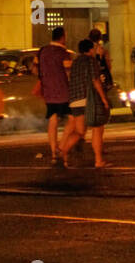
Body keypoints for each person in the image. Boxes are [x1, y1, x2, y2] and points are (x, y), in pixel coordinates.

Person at [61, 40, 110, 168]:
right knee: (97, 128)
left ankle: (63, 152)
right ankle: (99, 161)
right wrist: (104, 99)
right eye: (93, 48)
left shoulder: (76, 61)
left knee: (79, 131)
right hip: (88, 99)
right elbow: (95, 80)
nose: (94, 50)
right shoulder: (91, 61)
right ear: (89, 50)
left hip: (75, 100)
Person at [37, 28, 72, 164]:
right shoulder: (63, 53)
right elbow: (68, 71)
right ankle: (61, 147)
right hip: (63, 92)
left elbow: (35, 69)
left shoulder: (42, 51)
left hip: (48, 92)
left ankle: (53, 152)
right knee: (72, 119)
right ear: (62, 38)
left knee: (52, 120)